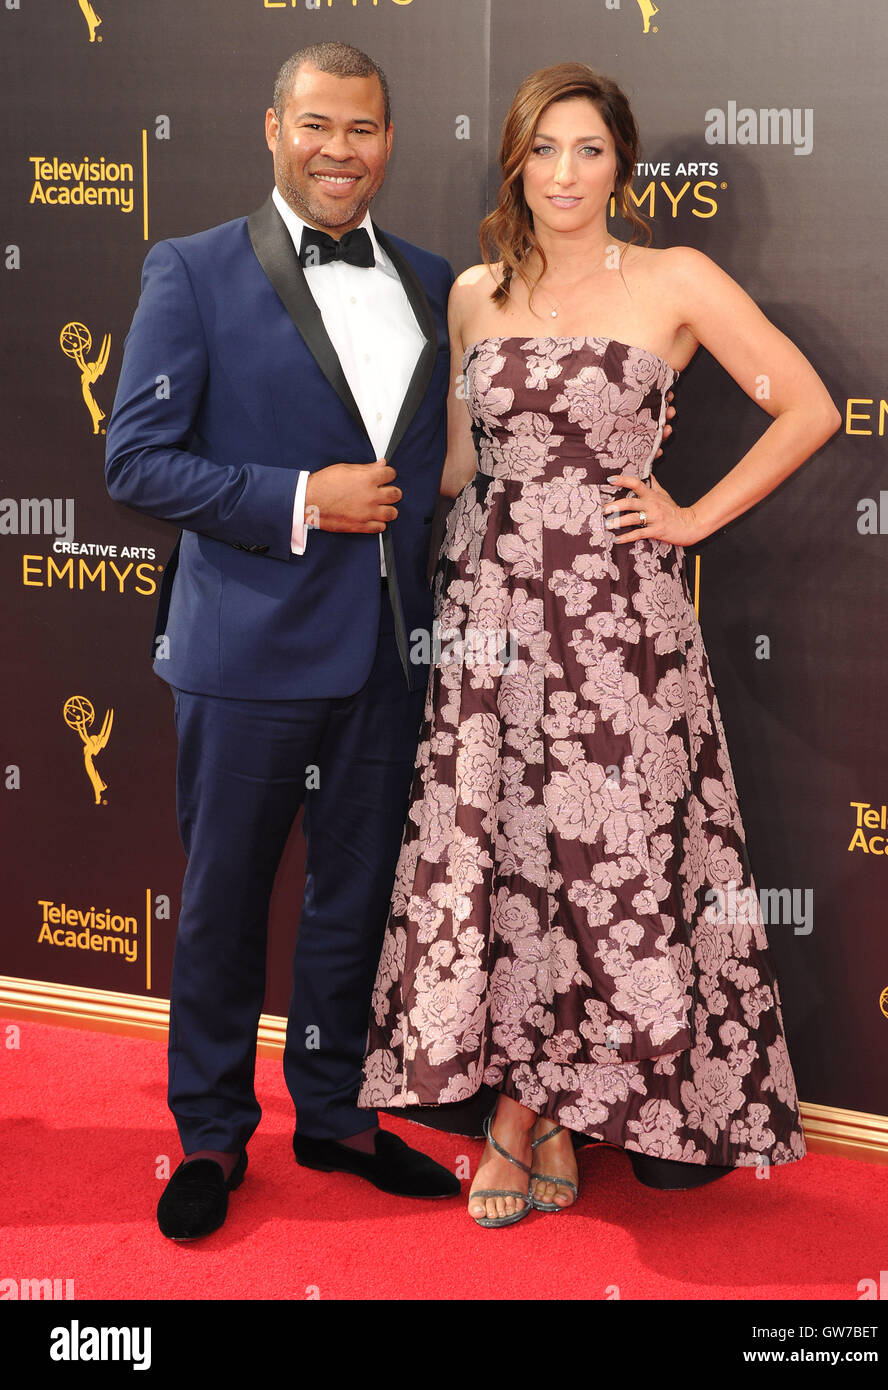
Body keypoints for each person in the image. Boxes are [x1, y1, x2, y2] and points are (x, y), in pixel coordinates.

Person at [358, 61, 841, 1227]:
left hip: (621, 629)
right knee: (501, 861)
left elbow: (809, 406)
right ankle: (514, 1106)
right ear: (514, 162)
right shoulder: (475, 292)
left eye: (587, 150)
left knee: (607, 870)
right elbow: (464, 464)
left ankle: (575, 1108)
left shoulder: (673, 278)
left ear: (619, 164)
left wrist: (687, 517)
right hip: (487, 620)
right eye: (542, 150)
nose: (564, 174)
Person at [104, 41, 466, 1239]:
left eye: (362, 128)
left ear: (389, 140)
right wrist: (304, 497)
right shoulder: (194, 269)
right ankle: (209, 1134)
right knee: (221, 906)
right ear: (273, 130)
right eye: (316, 125)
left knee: (353, 898)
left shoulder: (429, 280)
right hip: (244, 654)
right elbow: (136, 461)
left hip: (385, 654)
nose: (339, 151)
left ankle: (335, 1112)